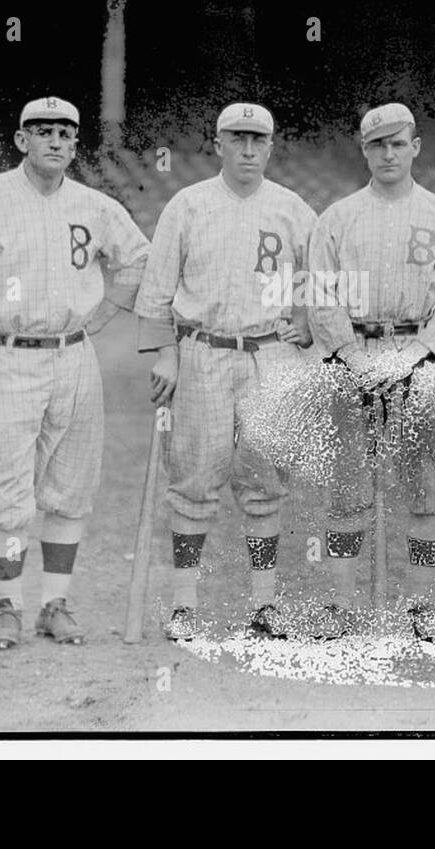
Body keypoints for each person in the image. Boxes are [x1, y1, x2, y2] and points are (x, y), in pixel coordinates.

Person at [0, 96, 150, 649]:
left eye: (65, 133)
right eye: (42, 131)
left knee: (71, 486)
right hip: (4, 356)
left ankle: (54, 604)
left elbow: (143, 260)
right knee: (5, 487)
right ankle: (9, 606)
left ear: (76, 143)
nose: (55, 141)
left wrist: (109, 308)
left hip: (73, 356)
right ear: (21, 140)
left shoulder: (95, 205)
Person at [134, 103, 317, 641]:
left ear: (271, 146)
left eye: (258, 140)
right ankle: (185, 606)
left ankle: (265, 605)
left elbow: (323, 276)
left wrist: (305, 323)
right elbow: (156, 290)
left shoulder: (292, 208)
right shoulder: (187, 206)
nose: (247, 149)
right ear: (217, 143)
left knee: (264, 480)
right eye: (236, 138)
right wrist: (164, 354)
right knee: (194, 477)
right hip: (203, 351)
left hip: (269, 354)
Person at [307, 102, 435, 641]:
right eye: (377, 144)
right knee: (348, 486)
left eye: (397, 143)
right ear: (364, 149)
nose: (388, 153)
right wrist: (352, 357)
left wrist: (415, 355)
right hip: (350, 353)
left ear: (415, 146)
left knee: (429, 488)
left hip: (420, 357)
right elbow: (321, 295)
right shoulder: (337, 217)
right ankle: (340, 604)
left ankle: (418, 607)